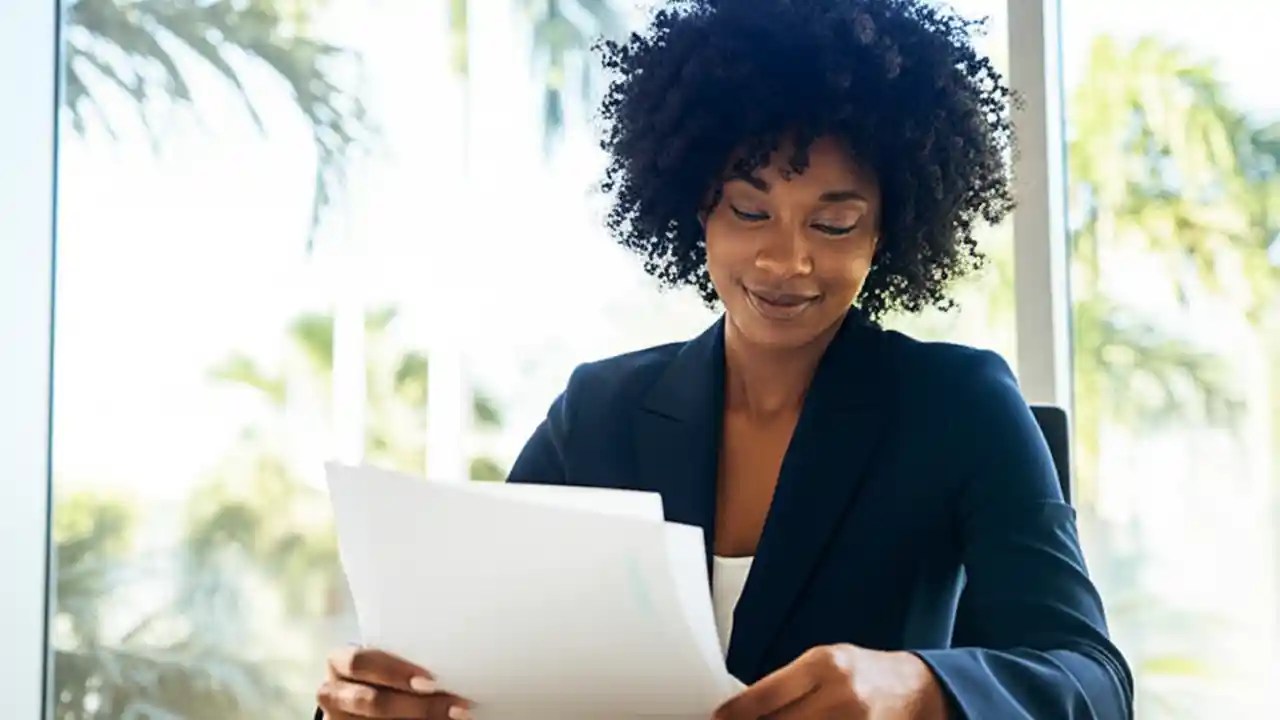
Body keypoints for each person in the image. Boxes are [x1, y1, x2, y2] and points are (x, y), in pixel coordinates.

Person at [315, 0, 1134, 717]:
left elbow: (1092, 679)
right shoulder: (599, 411)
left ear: (888, 232)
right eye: (750, 210)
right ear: (695, 206)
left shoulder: (956, 403)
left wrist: (920, 688)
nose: (787, 262)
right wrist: (386, 701)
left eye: (834, 224)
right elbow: (472, 650)